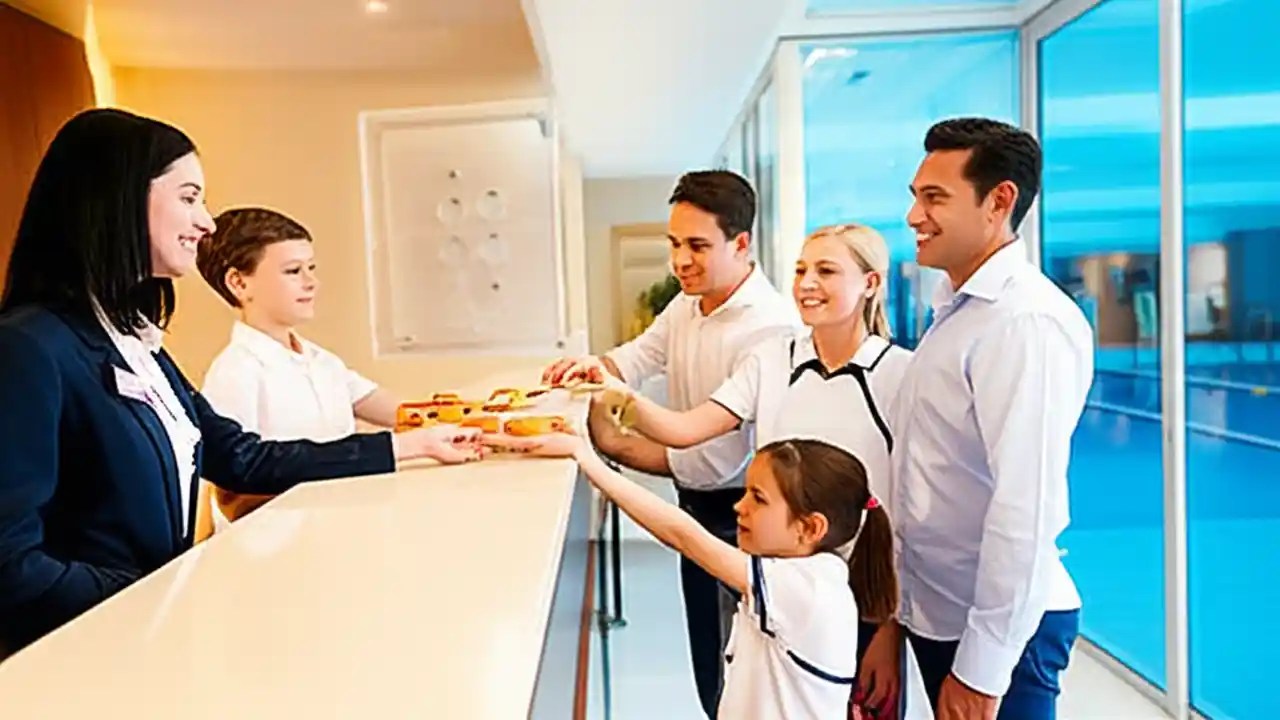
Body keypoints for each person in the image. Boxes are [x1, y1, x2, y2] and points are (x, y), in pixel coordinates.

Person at [0, 108, 483, 655]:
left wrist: (410, 446)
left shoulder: (136, 346)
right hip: (85, 655)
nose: (206, 222)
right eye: (188, 198)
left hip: (154, 640)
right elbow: (11, 565)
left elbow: (242, 457)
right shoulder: (30, 347)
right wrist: (156, 594)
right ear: (118, 199)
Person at [586, 223, 910, 685]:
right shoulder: (772, 358)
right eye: (800, 270)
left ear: (870, 284)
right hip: (770, 584)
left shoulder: (900, 374)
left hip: (861, 596)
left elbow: (909, 510)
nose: (807, 284)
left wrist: (889, 630)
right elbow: (686, 429)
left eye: (826, 271)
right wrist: (606, 390)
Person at [858, 117, 1094, 720]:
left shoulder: (1023, 324)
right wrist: (895, 619)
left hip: (995, 636)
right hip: (938, 615)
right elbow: (927, 481)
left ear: (1000, 201)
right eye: (915, 196)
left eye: (934, 198)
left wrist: (983, 671)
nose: (914, 216)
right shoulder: (960, 314)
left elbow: (1026, 507)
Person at [542, 170, 798, 716]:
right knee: (710, 666)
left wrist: (609, 401)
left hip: (743, 520)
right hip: (696, 499)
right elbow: (636, 357)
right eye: (675, 244)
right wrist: (596, 368)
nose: (681, 261)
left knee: (741, 684)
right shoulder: (688, 302)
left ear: (742, 243)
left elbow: (694, 432)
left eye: (698, 246)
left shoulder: (769, 327)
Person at [500, 433, 896, 720]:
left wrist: (588, 461)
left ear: (810, 528)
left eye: (758, 499)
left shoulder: (805, 590)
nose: (739, 507)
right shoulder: (804, 574)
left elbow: (683, 535)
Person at [195, 207, 404, 530]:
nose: (311, 282)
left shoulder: (323, 362)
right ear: (238, 282)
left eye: (312, 268)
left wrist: (479, 420)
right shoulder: (236, 372)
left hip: (339, 528)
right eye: (293, 271)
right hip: (276, 546)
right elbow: (233, 487)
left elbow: (406, 414)